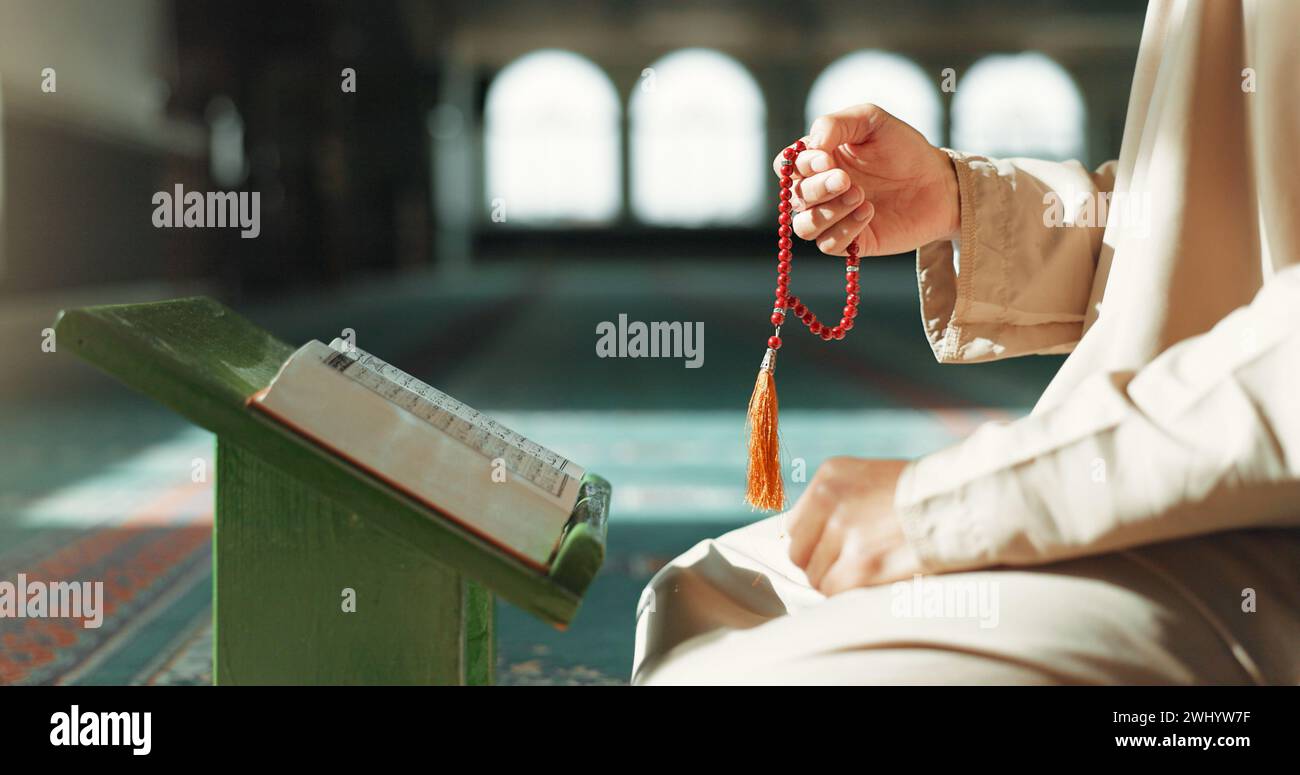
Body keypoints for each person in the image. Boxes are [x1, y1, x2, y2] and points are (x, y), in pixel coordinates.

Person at [632, 0, 1300, 684]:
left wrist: (942, 506)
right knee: (700, 593)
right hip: (1168, 483)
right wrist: (958, 200)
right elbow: (1216, 228)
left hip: (1252, 527)